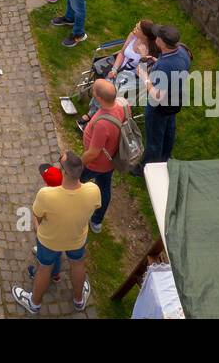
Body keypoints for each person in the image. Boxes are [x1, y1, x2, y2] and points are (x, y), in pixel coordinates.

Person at [12, 149, 97, 314]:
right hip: (76, 238)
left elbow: (37, 218)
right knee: (78, 264)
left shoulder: (46, 194)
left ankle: (34, 303)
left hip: (50, 240)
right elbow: (93, 208)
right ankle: (79, 300)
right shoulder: (93, 190)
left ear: (64, 172)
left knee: (44, 268)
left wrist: (38, 230)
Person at [136, 24, 190, 165]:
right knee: (169, 130)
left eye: (157, 36)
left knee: (154, 137)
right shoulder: (183, 51)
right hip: (175, 99)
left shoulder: (166, 66)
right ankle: (166, 158)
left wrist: (144, 77)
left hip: (159, 106)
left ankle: (147, 167)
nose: (155, 37)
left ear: (162, 42)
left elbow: (157, 95)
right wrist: (157, 61)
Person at [81, 78, 127, 234]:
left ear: (99, 98)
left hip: (96, 164)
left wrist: (80, 163)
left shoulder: (102, 124)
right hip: (110, 161)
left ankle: (69, 208)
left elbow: (94, 152)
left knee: (73, 181)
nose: (92, 92)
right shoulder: (123, 105)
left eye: (93, 90)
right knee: (104, 189)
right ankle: (97, 222)